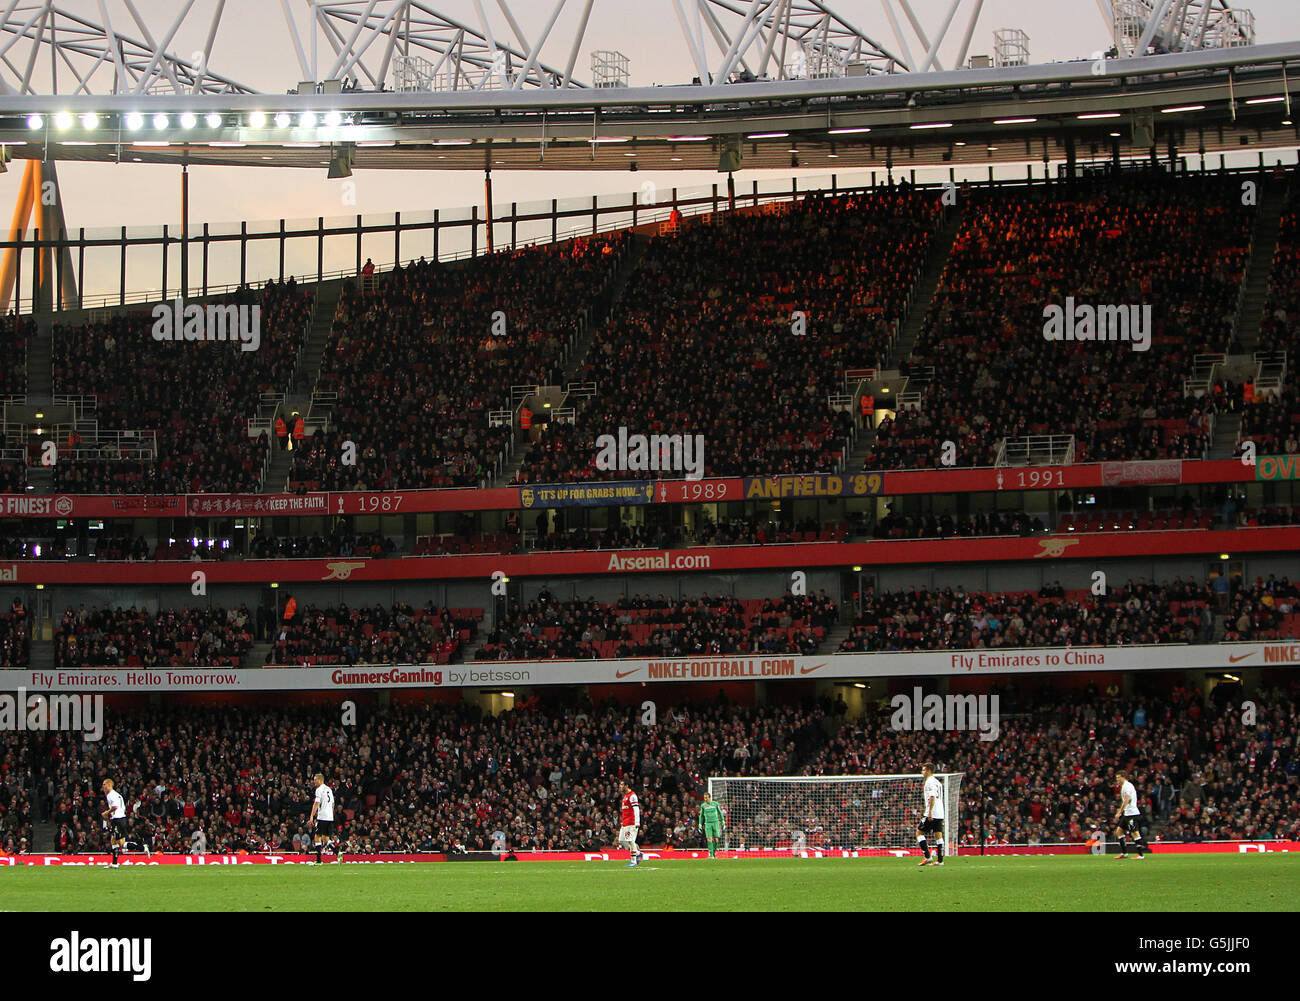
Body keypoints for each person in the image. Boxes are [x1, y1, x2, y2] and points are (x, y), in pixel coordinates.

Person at [1113, 769, 1149, 860]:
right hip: (1127, 814)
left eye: (1118, 777)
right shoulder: (1124, 786)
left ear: (1123, 777)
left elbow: (1127, 799)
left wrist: (1119, 812)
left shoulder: (1127, 786)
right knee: (1119, 831)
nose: (1117, 779)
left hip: (1132, 814)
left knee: (1134, 833)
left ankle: (1141, 854)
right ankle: (1124, 853)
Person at [308, 773, 341, 864]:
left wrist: (311, 816)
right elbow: (333, 803)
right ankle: (337, 852)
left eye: (315, 780)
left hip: (322, 816)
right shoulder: (329, 789)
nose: (314, 782)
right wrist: (330, 813)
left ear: (319, 780)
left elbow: (316, 803)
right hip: (329, 817)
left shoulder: (319, 790)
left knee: (317, 837)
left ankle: (318, 861)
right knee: (325, 838)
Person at [916, 762, 945, 867]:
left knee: (919, 833)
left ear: (928, 771)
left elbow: (932, 797)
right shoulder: (937, 782)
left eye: (923, 770)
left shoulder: (930, 782)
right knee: (938, 835)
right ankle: (940, 861)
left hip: (932, 812)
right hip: (940, 812)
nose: (922, 772)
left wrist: (930, 812)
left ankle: (928, 857)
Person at [618, 781, 643, 868]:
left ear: (626, 785)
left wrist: (637, 822)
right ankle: (638, 853)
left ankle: (633, 860)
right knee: (621, 841)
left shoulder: (632, 796)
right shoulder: (625, 796)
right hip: (625, 823)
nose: (620, 786)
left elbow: (636, 809)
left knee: (630, 840)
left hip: (631, 822)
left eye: (621, 785)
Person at [698, 791, 725, 859]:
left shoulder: (715, 804)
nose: (705, 799)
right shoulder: (703, 805)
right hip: (708, 823)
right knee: (709, 839)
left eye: (706, 797)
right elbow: (701, 816)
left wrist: (723, 822)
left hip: (715, 822)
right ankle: (711, 855)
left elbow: (720, 813)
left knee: (716, 840)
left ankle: (714, 852)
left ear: (710, 797)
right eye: (704, 798)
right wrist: (700, 824)